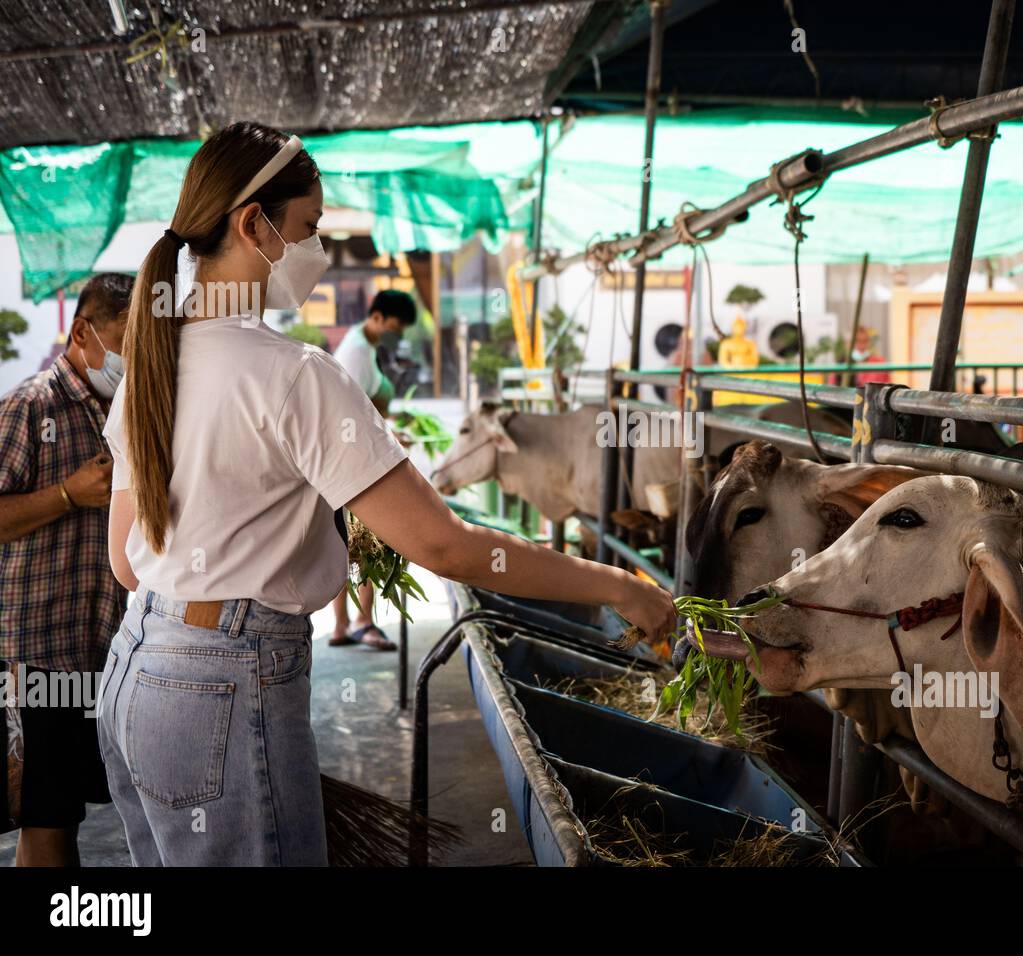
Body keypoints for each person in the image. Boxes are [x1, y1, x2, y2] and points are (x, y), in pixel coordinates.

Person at [97, 122, 676, 866]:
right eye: (308, 228)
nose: (319, 253)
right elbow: (448, 547)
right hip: (225, 682)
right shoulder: (296, 374)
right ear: (252, 224)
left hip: (137, 672)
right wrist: (620, 586)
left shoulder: (151, 364)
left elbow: (125, 562)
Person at [0, 273, 134, 866]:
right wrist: (67, 495)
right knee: (48, 823)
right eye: (127, 342)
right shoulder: (30, 407)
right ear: (82, 332)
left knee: (71, 813)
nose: (136, 359)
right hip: (36, 655)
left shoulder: (128, 413)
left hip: (103, 652)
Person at [328, 289, 417, 650]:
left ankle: (344, 625)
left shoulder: (362, 346)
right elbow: (350, 417)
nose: (397, 334)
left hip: (355, 459)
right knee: (368, 544)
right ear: (377, 317)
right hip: (356, 462)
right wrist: (391, 434)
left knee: (345, 543)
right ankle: (361, 622)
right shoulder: (357, 353)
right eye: (395, 326)